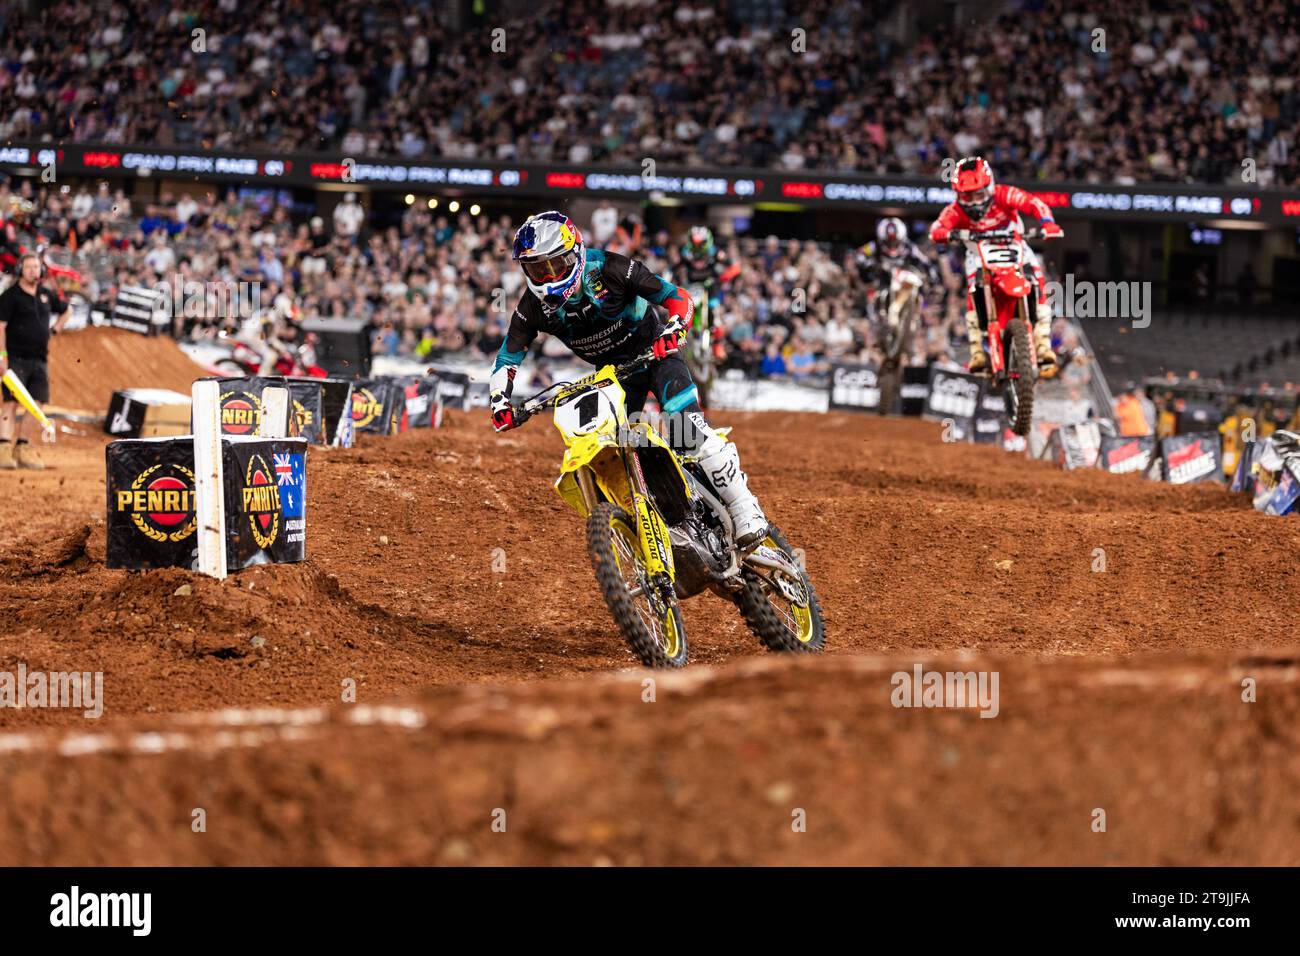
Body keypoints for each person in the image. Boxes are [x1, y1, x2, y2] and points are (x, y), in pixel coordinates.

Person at [489, 210, 769, 546]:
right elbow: (508, 355)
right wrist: (500, 400)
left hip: (656, 355)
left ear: (575, 252)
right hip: (613, 378)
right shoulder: (533, 306)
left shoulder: (611, 268)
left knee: (688, 431)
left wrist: (675, 330)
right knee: (618, 448)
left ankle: (743, 507)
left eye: (555, 265)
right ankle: (668, 517)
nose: (548, 278)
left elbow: (678, 297)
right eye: (537, 269)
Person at [928, 156, 1063, 373]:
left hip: (1014, 246)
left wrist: (1048, 223)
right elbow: (938, 226)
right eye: (966, 195)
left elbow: (1034, 203)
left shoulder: (1005, 193)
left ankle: (1042, 343)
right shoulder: (955, 209)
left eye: (978, 193)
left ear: (989, 186)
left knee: (1038, 278)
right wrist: (941, 233)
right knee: (973, 290)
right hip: (978, 253)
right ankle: (978, 351)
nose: (972, 201)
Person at [0, 253, 69, 469]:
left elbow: (67, 309)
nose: (33, 271)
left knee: (37, 403)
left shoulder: (46, 294)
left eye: (36, 267)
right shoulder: (10, 296)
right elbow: (0, 327)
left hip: (40, 359)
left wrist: (56, 329)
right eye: (29, 267)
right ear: (21, 269)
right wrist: (2, 356)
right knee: (11, 403)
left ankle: (22, 446)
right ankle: (3, 447)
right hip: (15, 358)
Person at [854, 216, 939, 325]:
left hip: (903, 276)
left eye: (895, 242)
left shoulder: (909, 247)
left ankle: (916, 315)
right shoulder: (874, 246)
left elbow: (924, 261)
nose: (892, 246)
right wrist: (869, 264)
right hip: (883, 276)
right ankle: (874, 317)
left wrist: (932, 276)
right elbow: (859, 255)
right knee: (871, 293)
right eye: (889, 242)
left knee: (919, 289)